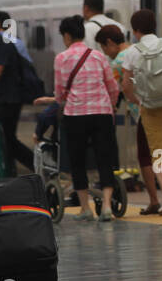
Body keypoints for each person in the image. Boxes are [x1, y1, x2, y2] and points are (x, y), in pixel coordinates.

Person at [34, 16, 120, 221]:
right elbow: (112, 88)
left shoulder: (61, 58)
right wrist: (111, 106)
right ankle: (107, 205)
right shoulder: (99, 56)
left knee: (77, 161)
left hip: (76, 116)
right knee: (104, 159)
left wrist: (63, 100)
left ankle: (85, 209)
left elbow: (60, 92)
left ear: (67, 35)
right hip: (102, 114)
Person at [119, 9, 162, 216]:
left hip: (150, 108)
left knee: (158, 152)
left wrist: (137, 100)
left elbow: (126, 85)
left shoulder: (132, 52)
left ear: (136, 30)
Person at [96, 25, 162, 215]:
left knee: (145, 157)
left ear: (109, 43)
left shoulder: (117, 62)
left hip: (143, 112)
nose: (105, 53)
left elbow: (115, 89)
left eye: (104, 48)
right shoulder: (138, 50)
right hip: (160, 105)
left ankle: (155, 200)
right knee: (161, 152)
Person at [0, 8, 34, 177]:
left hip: (8, 100)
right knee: (6, 140)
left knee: (7, 139)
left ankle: (36, 165)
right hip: (1, 99)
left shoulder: (3, 43)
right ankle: (12, 172)